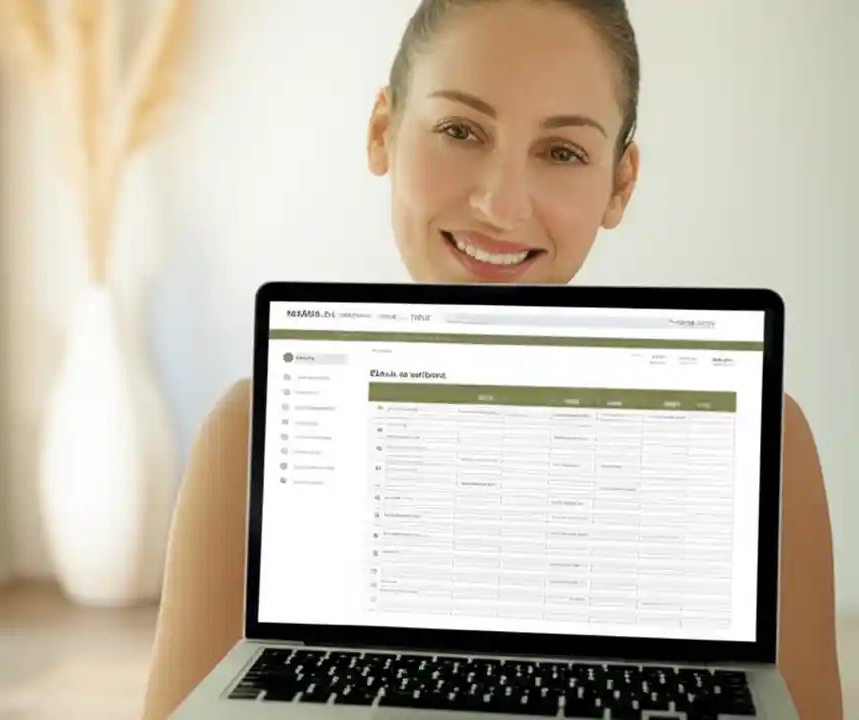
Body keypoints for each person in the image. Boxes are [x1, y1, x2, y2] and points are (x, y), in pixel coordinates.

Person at [140, 0, 844, 718]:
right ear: (382, 131)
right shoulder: (246, 435)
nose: (502, 205)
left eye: (563, 151)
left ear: (619, 183)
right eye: (459, 130)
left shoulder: (770, 442)